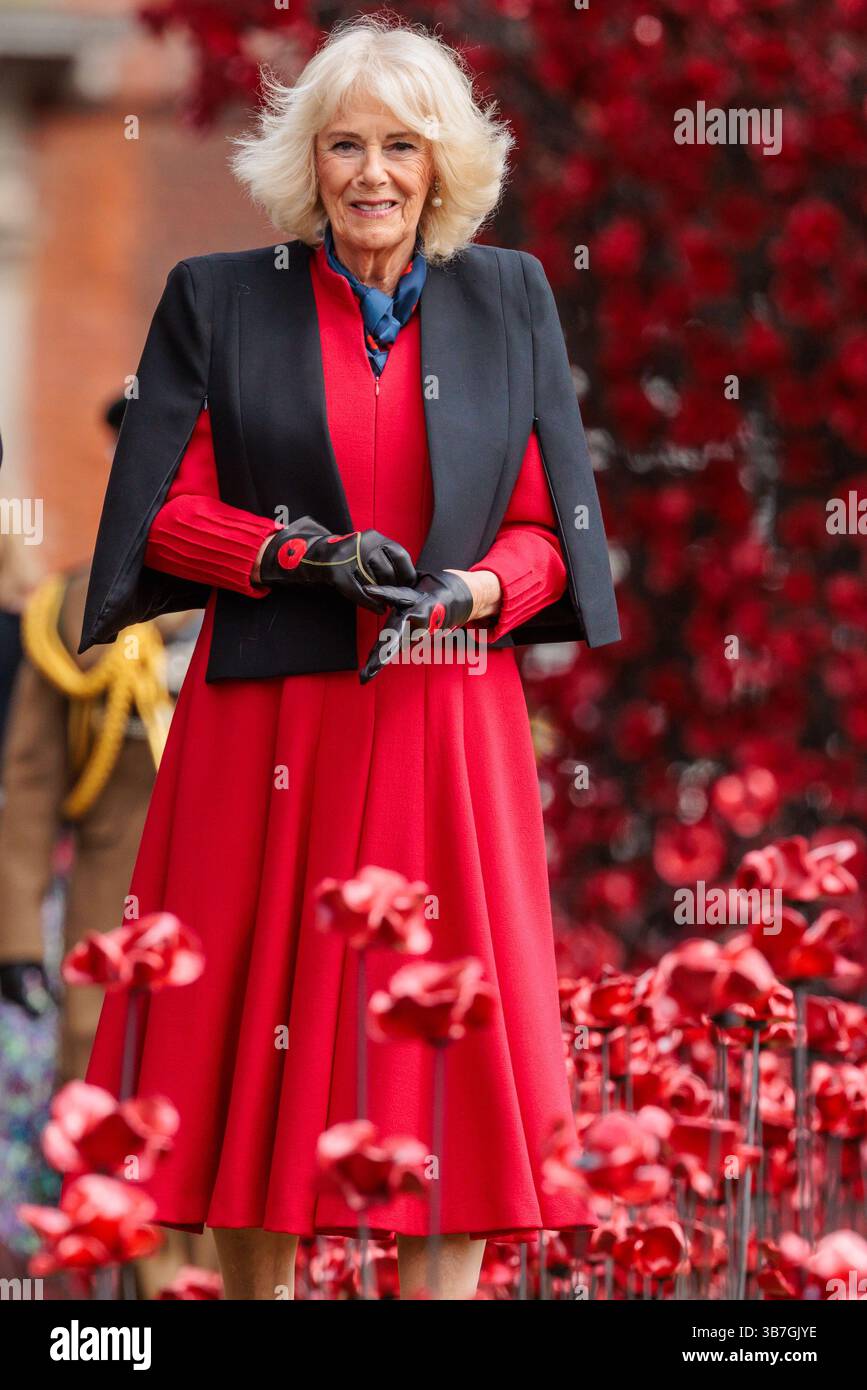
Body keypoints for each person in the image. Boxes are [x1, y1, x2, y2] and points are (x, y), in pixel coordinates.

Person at [75, 16, 620, 1300]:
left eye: (400, 146)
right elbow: (157, 507)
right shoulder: (222, 296)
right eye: (344, 146)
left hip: (447, 717)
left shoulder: (512, 298)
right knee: (244, 1049)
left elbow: (552, 529)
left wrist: (483, 586)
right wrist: (296, 557)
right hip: (266, 727)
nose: (372, 173)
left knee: (447, 1044)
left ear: (442, 166)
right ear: (307, 162)